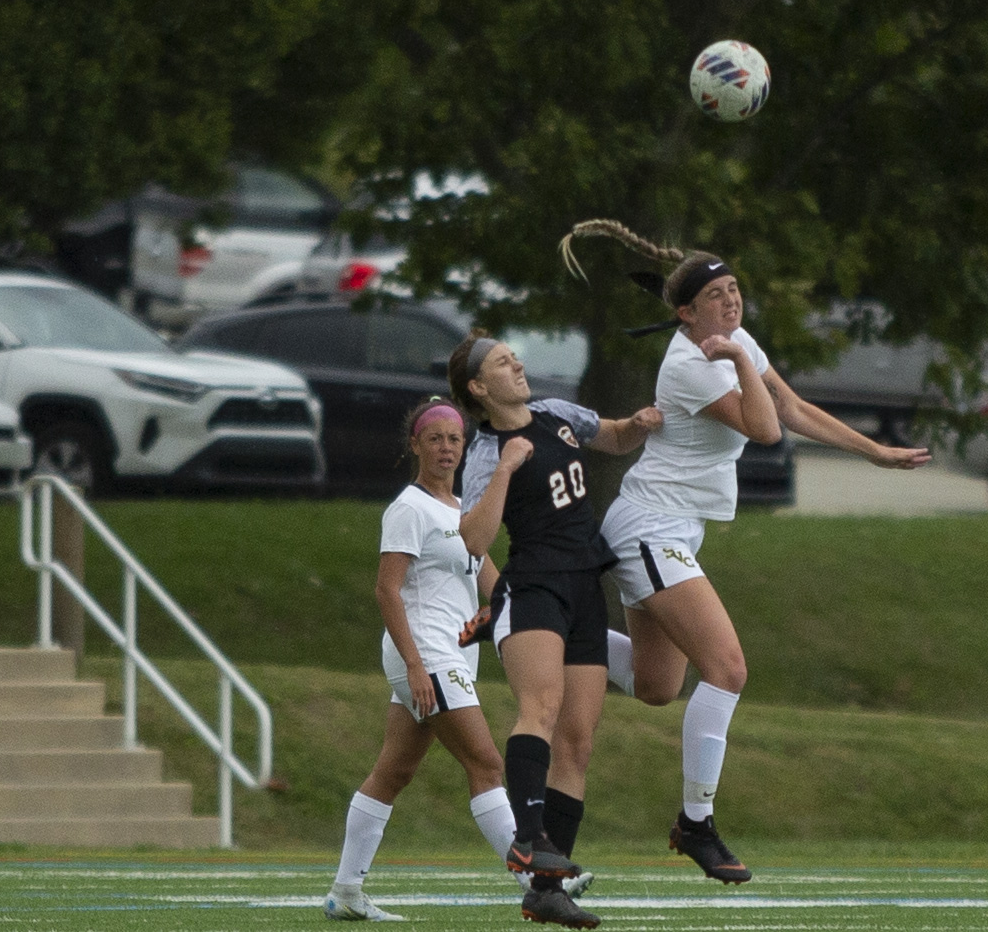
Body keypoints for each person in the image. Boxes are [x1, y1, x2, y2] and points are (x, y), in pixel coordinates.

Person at [558, 219, 931, 883]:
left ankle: (553, 636)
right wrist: (731, 360)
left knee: (655, 686)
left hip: (667, 530)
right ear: (685, 312)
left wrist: (873, 451)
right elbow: (762, 428)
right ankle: (695, 823)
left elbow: (787, 405)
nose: (731, 302)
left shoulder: (731, 341)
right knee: (726, 668)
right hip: (649, 528)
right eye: (717, 295)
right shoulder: (690, 362)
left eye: (734, 290)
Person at [452, 330, 662, 930]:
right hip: (534, 586)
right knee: (539, 707)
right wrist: (506, 469)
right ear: (477, 386)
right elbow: (473, 539)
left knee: (577, 741)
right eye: (500, 361)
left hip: (584, 588)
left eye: (513, 356)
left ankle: (548, 888)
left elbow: (615, 436)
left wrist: (644, 422)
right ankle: (526, 836)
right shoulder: (488, 450)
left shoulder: (554, 414)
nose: (515, 364)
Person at [327, 397, 549, 922]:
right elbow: (387, 591)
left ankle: (345, 891)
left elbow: (496, 589)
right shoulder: (409, 507)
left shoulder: (462, 513)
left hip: (450, 656)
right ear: (415, 446)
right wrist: (413, 664)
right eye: (435, 438)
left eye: (454, 438)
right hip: (424, 656)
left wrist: (542, 613)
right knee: (487, 763)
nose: (446, 447)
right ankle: (538, 880)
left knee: (393, 772)